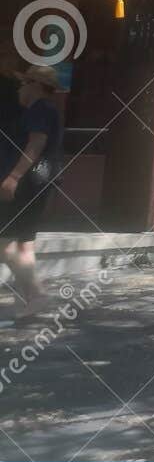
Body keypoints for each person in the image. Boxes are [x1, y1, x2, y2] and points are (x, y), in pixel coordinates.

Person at [0, 63, 65, 319]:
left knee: (4, 246)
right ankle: (32, 298)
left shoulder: (40, 109)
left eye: (24, 83)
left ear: (36, 86)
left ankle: (36, 295)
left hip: (29, 183)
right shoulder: (44, 110)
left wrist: (13, 177)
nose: (20, 88)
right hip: (40, 181)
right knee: (25, 245)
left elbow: (36, 144)